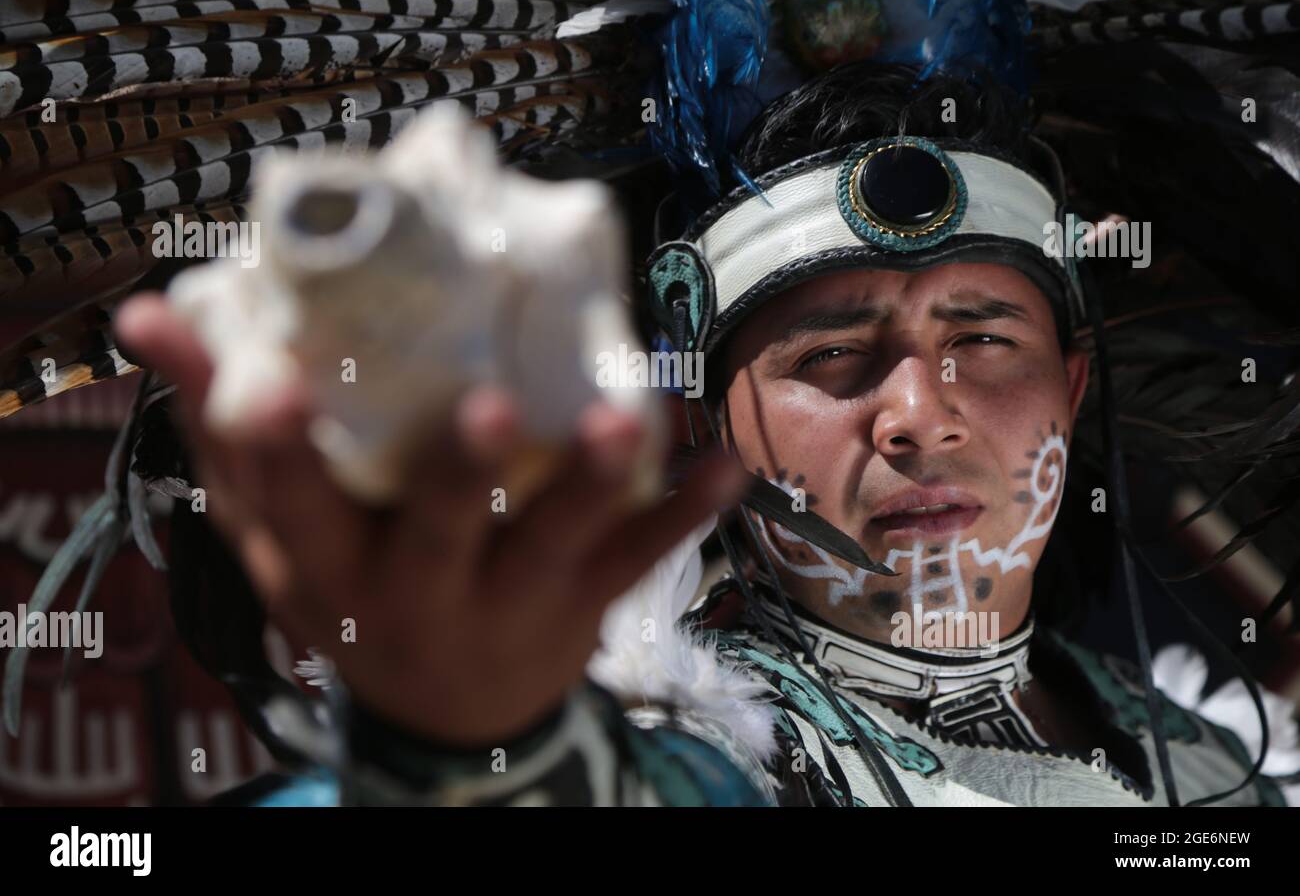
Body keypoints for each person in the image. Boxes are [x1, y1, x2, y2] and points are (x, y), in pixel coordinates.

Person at [112, 61, 1289, 807]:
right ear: (702, 419)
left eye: (982, 341)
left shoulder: (1197, 754)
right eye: (829, 356)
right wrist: (470, 742)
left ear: (1073, 388)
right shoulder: (700, 749)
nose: (917, 413)